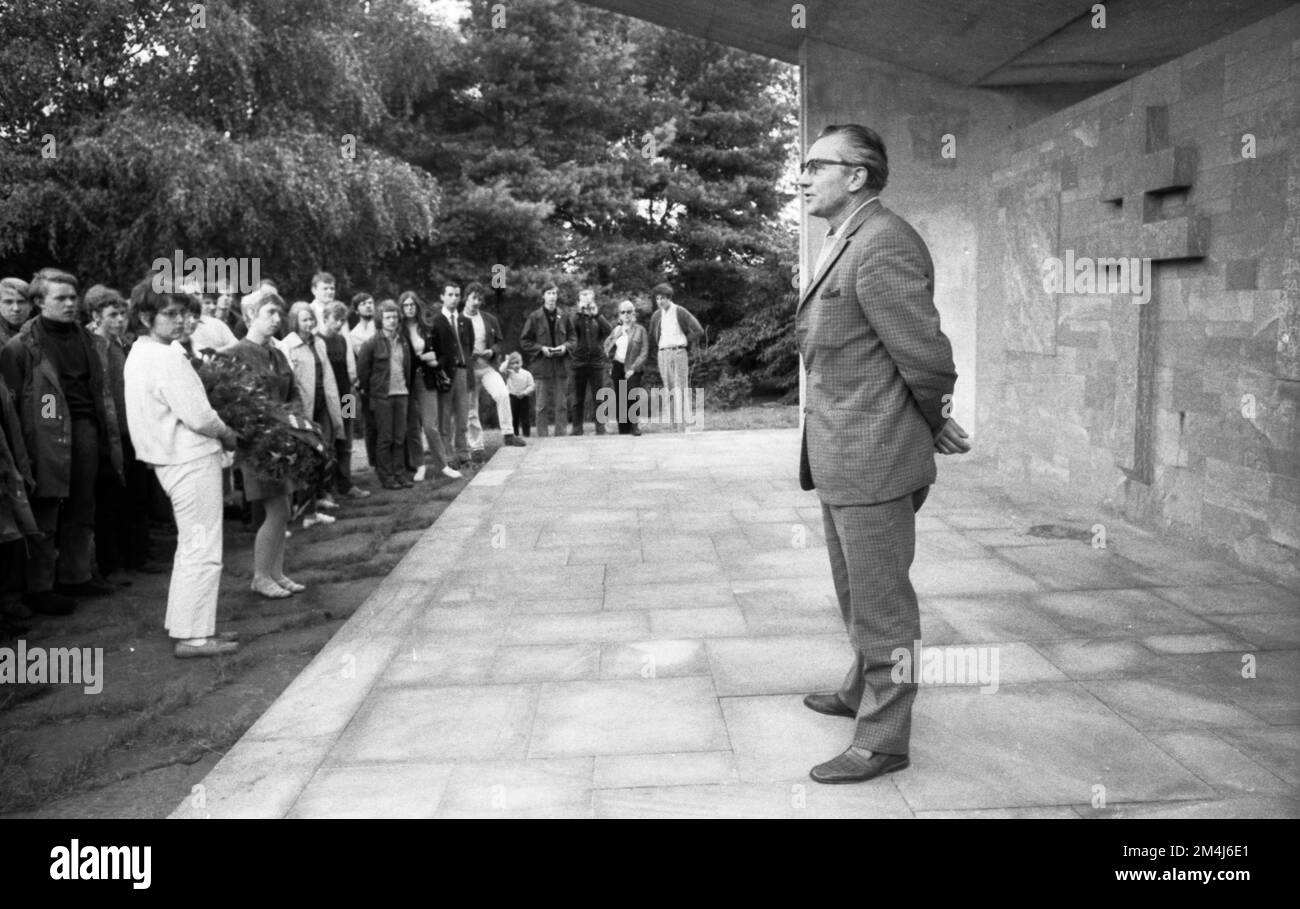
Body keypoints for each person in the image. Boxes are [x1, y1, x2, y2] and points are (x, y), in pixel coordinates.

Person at [795, 123, 970, 784]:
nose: (804, 177)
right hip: (842, 448)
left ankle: (885, 737)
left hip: (873, 452)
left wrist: (937, 419)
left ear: (858, 175)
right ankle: (858, 684)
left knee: (881, 599)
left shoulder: (884, 243)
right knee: (854, 586)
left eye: (817, 166)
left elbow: (925, 355)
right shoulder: (846, 237)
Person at [124, 286, 240, 657]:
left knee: (192, 544)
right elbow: (200, 416)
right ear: (145, 318)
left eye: (182, 314)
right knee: (202, 547)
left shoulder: (142, 353)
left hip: (170, 459)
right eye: (169, 314)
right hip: (188, 457)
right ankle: (194, 637)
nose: (180, 321)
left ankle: (185, 625)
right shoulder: (164, 358)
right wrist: (227, 433)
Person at [0, 270, 115, 616]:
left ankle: (76, 576)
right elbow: (14, 404)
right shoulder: (21, 347)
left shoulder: (89, 340)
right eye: (60, 298)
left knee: (83, 507)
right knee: (45, 511)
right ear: (39, 301)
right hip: (44, 438)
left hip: (86, 431)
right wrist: (25, 455)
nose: (69, 303)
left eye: (72, 297)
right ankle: (40, 587)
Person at [226, 291, 303, 598]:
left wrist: (296, 424)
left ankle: (276, 572)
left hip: (284, 441)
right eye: (269, 312)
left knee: (283, 511)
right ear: (248, 317)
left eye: (278, 313)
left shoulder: (277, 353)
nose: (277, 319)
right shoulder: (237, 354)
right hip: (259, 446)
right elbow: (235, 406)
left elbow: (293, 393)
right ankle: (260, 576)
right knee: (276, 512)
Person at [278, 302, 344, 526]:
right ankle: (306, 509)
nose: (308, 324)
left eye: (310, 319)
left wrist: (340, 406)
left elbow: (331, 374)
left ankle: (320, 497)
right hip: (305, 406)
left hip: (327, 400)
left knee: (326, 449)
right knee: (307, 454)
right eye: (304, 320)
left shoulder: (320, 342)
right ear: (295, 321)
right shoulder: (287, 345)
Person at [357, 300, 414, 489]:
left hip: (402, 393)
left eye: (394, 317)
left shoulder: (403, 341)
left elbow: (408, 367)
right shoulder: (371, 343)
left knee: (400, 437)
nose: (392, 320)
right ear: (380, 319)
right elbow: (363, 373)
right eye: (388, 317)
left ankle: (400, 474)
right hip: (382, 397)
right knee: (385, 438)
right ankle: (386, 476)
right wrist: (373, 393)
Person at [462, 283, 524, 451]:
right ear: (466, 298)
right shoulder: (458, 320)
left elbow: (499, 344)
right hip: (468, 370)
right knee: (471, 408)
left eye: (479, 299)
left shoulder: (489, 319)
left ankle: (509, 435)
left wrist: (491, 352)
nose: (476, 302)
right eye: (473, 298)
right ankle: (476, 448)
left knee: (502, 394)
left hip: (488, 367)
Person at [318, 302, 369, 499]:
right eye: (335, 320)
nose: (338, 324)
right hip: (329, 399)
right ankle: (327, 487)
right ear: (325, 319)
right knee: (329, 442)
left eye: (342, 320)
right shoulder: (318, 340)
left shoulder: (342, 340)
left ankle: (346, 483)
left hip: (346, 395)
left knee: (346, 441)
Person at [647, 282, 704, 432]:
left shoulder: (680, 311)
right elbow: (652, 335)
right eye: (657, 299)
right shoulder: (656, 315)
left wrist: (685, 340)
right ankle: (673, 426)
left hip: (679, 352)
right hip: (663, 353)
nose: (660, 302)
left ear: (669, 298)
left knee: (681, 387)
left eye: (663, 298)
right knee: (669, 388)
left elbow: (698, 330)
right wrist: (660, 346)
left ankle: (683, 425)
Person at [429, 281, 474, 466]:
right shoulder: (435, 322)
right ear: (442, 296)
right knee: (444, 417)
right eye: (450, 295)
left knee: (463, 416)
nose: (454, 298)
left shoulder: (465, 321)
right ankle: (447, 456)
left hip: (463, 372)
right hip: (446, 374)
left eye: (457, 295)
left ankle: (463, 454)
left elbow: (468, 347)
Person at [518, 284, 571, 437]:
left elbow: (573, 338)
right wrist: (541, 349)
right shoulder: (535, 317)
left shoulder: (564, 316)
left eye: (555, 293)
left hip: (560, 365)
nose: (553, 296)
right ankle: (542, 437)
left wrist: (565, 347)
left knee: (561, 404)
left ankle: (561, 435)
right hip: (542, 365)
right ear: (543, 296)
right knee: (541, 405)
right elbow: (525, 341)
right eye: (549, 293)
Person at [568, 288, 611, 435]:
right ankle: (577, 429)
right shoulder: (574, 317)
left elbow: (608, 331)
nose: (586, 302)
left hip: (596, 363)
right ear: (579, 301)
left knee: (599, 397)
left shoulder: (597, 317)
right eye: (583, 298)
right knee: (577, 399)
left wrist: (597, 314)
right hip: (578, 362)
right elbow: (569, 332)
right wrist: (579, 313)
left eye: (589, 299)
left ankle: (600, 427)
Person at [603, 299, 648, 436]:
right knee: (620, 398)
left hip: (634, 366)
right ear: (619, 315)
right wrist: (611, 364)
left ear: (633, 313)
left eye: (629, 311)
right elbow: (606, 348)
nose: (626, 314)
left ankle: (634, 426)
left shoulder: (640, 330)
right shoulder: (616, 330)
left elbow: (644, 352)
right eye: (623, 312)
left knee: (631, 394)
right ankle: (623, 429)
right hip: (618, 365)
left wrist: (633, 369)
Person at [348, 292, 378, 467]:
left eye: (370, 302)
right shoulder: (353, 335)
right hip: (365, 383)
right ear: (357, 309)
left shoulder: (380, 327)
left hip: (385, 379)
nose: (368, 306)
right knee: (370, 422)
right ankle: (373, 461)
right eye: (363, 304)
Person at [501, 352, 534, 438]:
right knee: (513, 417)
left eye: (517, 363)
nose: (515, 365)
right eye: (513, 363)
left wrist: (524, 393)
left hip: (524, 397)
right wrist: (508, 360)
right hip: (513, 397)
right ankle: (515, 434)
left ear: (521, 362)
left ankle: (527, 434)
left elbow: (532, 385)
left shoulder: (527, 373)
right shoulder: (509, 373)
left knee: (525, 417)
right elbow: (501, 369)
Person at [1, 277, 32, 346]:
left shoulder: (42, 332)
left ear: (31, 305)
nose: (16, 308)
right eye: (8, 302)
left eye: (21, 302)